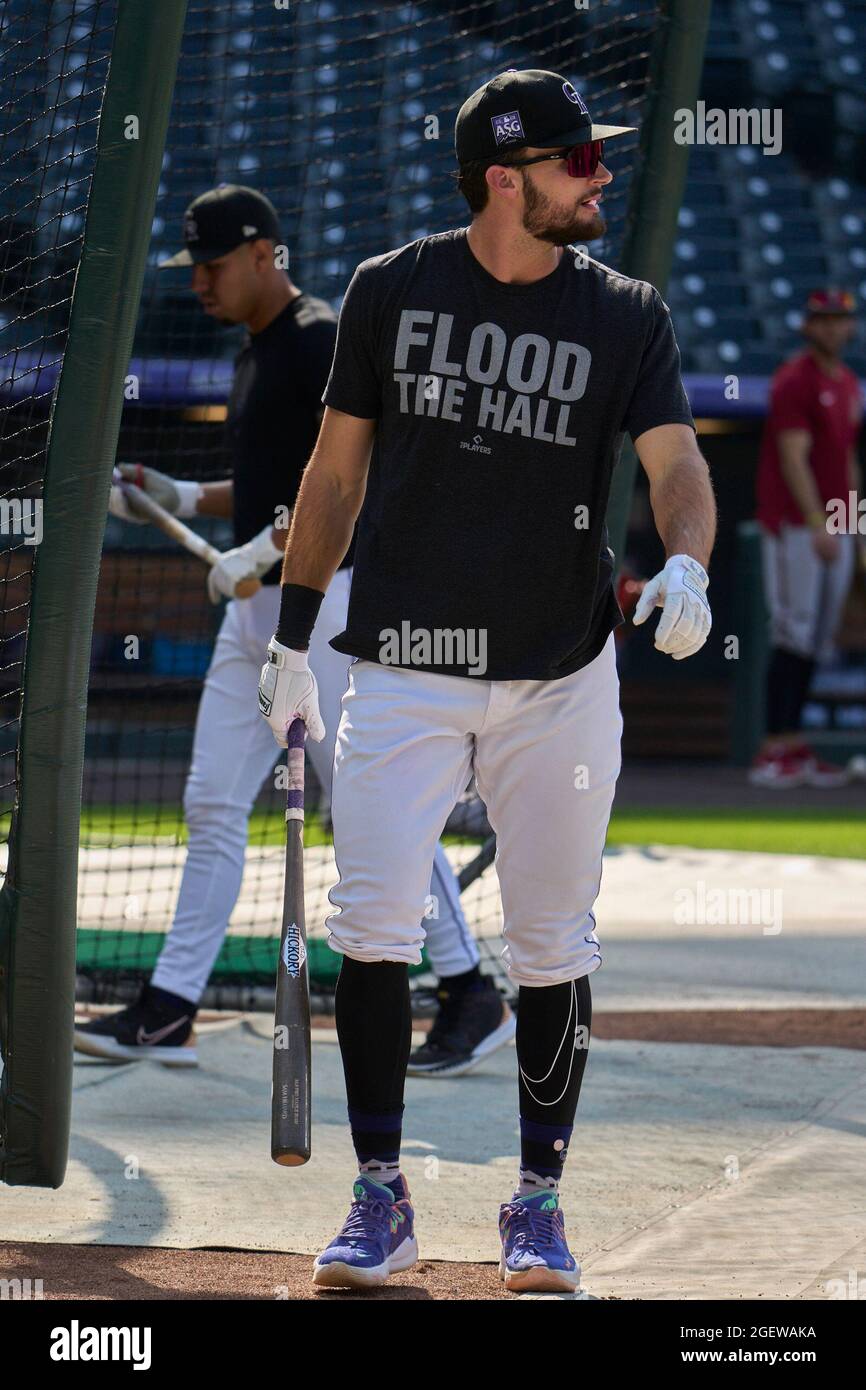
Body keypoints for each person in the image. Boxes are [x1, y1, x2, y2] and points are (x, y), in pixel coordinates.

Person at [257, 69, 716, 1294]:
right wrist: (292, 640)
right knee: (370, 929)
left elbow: (675, 463)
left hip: (560, 677)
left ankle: (538, 1203)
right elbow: (332, 476)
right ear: (504, 178)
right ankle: (377, 1198)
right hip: (403, 666)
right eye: (578, 160)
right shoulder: (388, 291)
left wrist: (686, 563)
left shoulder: (626, 313)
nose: (599, 176)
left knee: (553, 942)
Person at [75, 185, 505, 1069]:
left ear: (265, 253)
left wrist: (267, 551)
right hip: (254, 610)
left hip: (328, 604)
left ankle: (471, 991)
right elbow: (275, 476)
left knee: (367, 807)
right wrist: (185, 498)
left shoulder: (317, 337)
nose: (198, 281)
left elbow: (356, 470)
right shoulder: (253, 352)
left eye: (212, 263)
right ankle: (168, 1007)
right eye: (191, 266)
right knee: (211, 805)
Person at [750, 289, 863, 788]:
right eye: (825, 320)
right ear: (808, 325)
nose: (834, 328)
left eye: (841, 320)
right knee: (793, 632)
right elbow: (794, 456)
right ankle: (772, 749)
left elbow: (848, 460)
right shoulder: (795, 379)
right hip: (796, 524)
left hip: (835, 524)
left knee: (818, 639)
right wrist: (819, 523)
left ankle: (794, 743)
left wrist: (854, 526)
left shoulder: (850, 384)